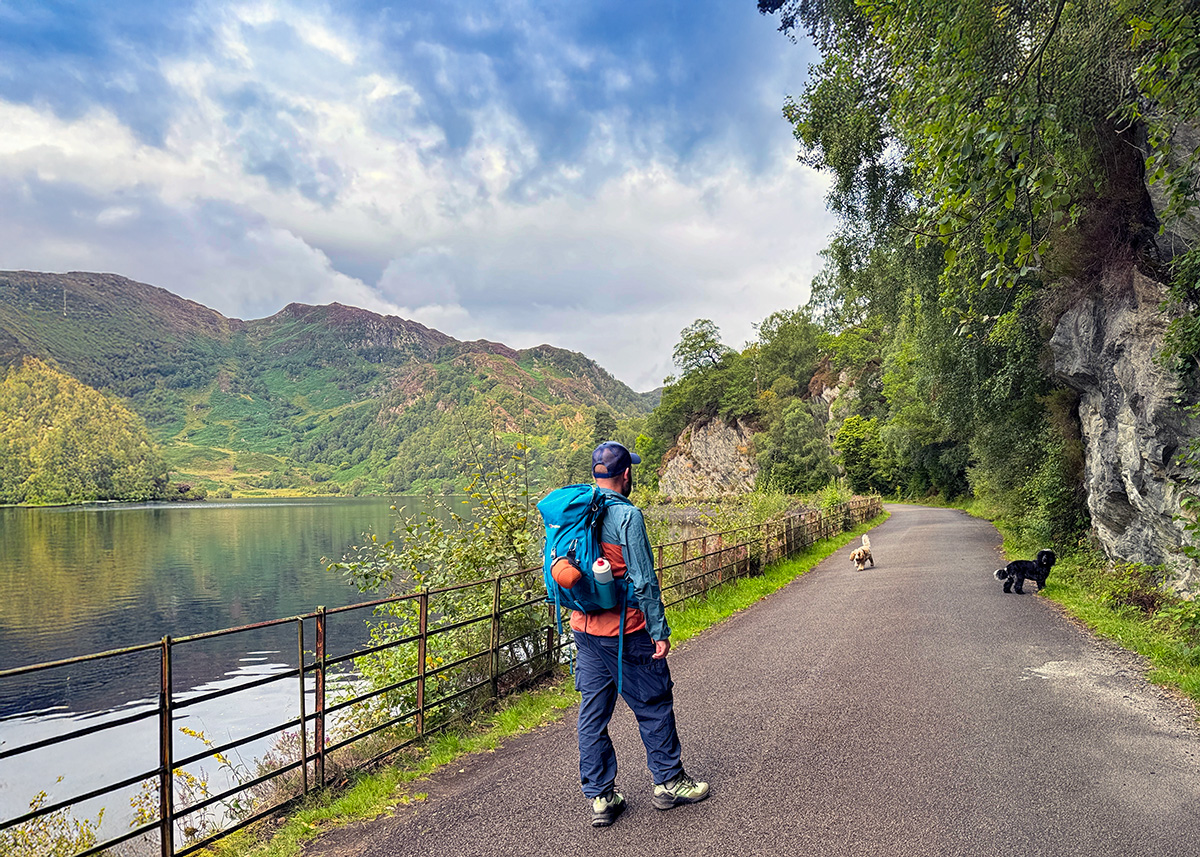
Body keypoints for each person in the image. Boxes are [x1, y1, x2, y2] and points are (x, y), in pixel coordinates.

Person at [573, 440, 709, 828]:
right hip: (625, 631)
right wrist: (659, 630)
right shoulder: (627, 517)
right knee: (653, 701)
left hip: (583, 630)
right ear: (626, 474)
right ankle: (668, 782)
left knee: (592, 714)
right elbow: (644, 581)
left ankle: (601, 796)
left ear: (596, 474)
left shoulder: (576, 511)